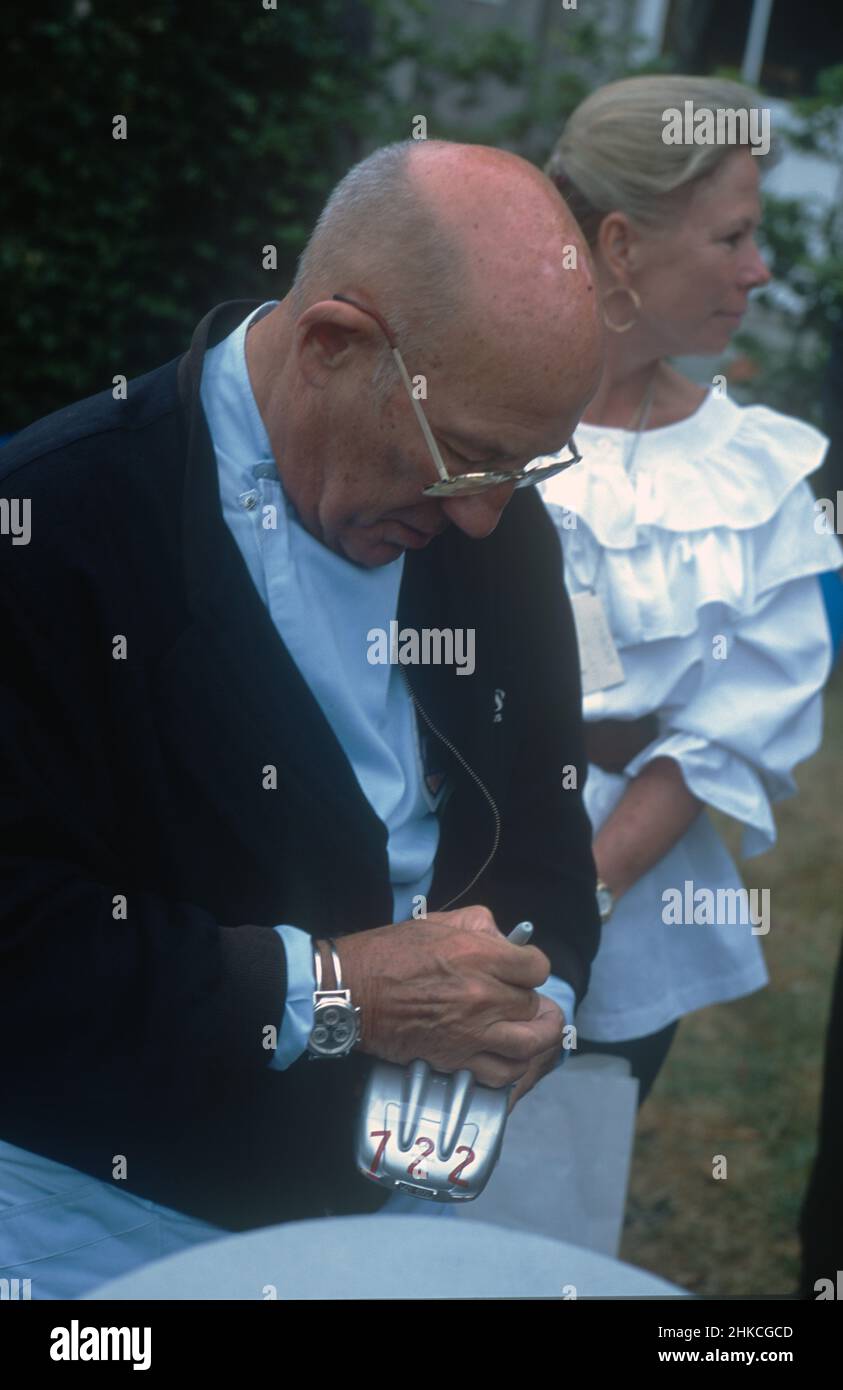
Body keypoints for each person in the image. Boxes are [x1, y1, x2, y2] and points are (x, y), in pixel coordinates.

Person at [0, 139, 603, 1297]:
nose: (484, 521)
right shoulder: (50, 523)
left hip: (390, 1208)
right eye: (467, 457)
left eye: (525, 469)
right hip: (99, 1223)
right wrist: (329, 992)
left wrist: (531, 1004)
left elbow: (546, 840)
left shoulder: (496, 528)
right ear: (333, 342)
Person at [537, 76, 843, 1104]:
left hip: (608, 939)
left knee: (539, 1243)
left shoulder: (752, 473)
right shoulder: (469, 410)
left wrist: (567, 906)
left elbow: (729, 726)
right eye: (732, 238)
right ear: (621, 245)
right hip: (396, 890)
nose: (759, 271)